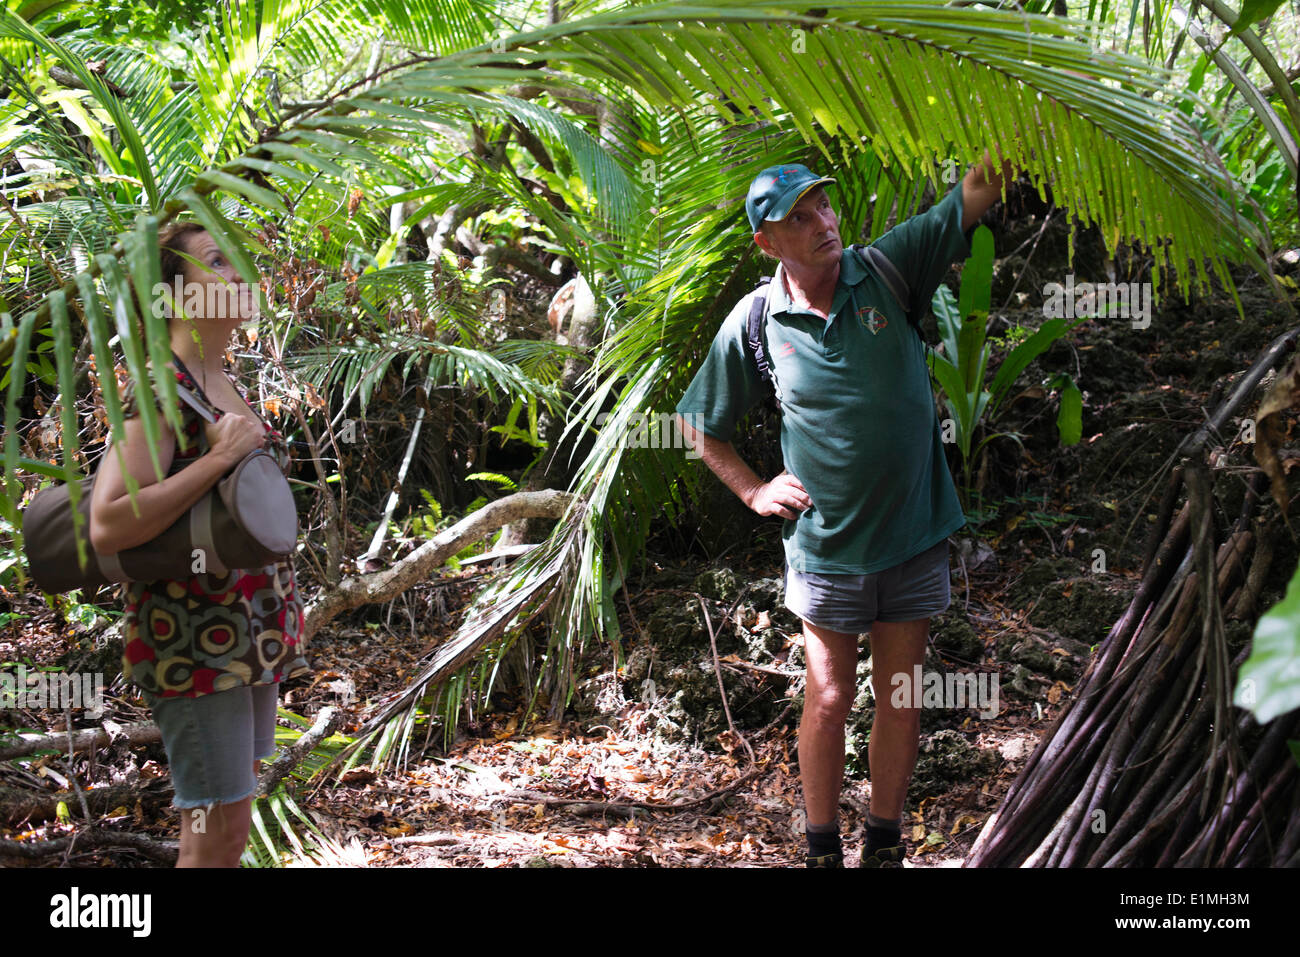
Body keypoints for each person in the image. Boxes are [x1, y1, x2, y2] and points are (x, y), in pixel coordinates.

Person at [675, 156, 1008, 867]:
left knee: (902, 696)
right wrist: (754, 490)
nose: (822, 223)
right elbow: (697, 423)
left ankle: (884, 843)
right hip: (828, 548)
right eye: (799, 217)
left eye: (823, 206)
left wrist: (1020, 128)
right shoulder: (758, 321)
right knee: (828, 699)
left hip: (913, 535)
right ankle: (822, 846)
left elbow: (973, 194)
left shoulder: (886, 269)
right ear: (766, 242)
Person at [89, 222, 310, 867]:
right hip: (194, 644)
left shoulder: (221, 380)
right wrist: (216, 463)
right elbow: (108, 522)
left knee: (219, 830)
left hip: (246, 635)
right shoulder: (162, 387)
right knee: (217, 839)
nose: (240, 273)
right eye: (217, 262)